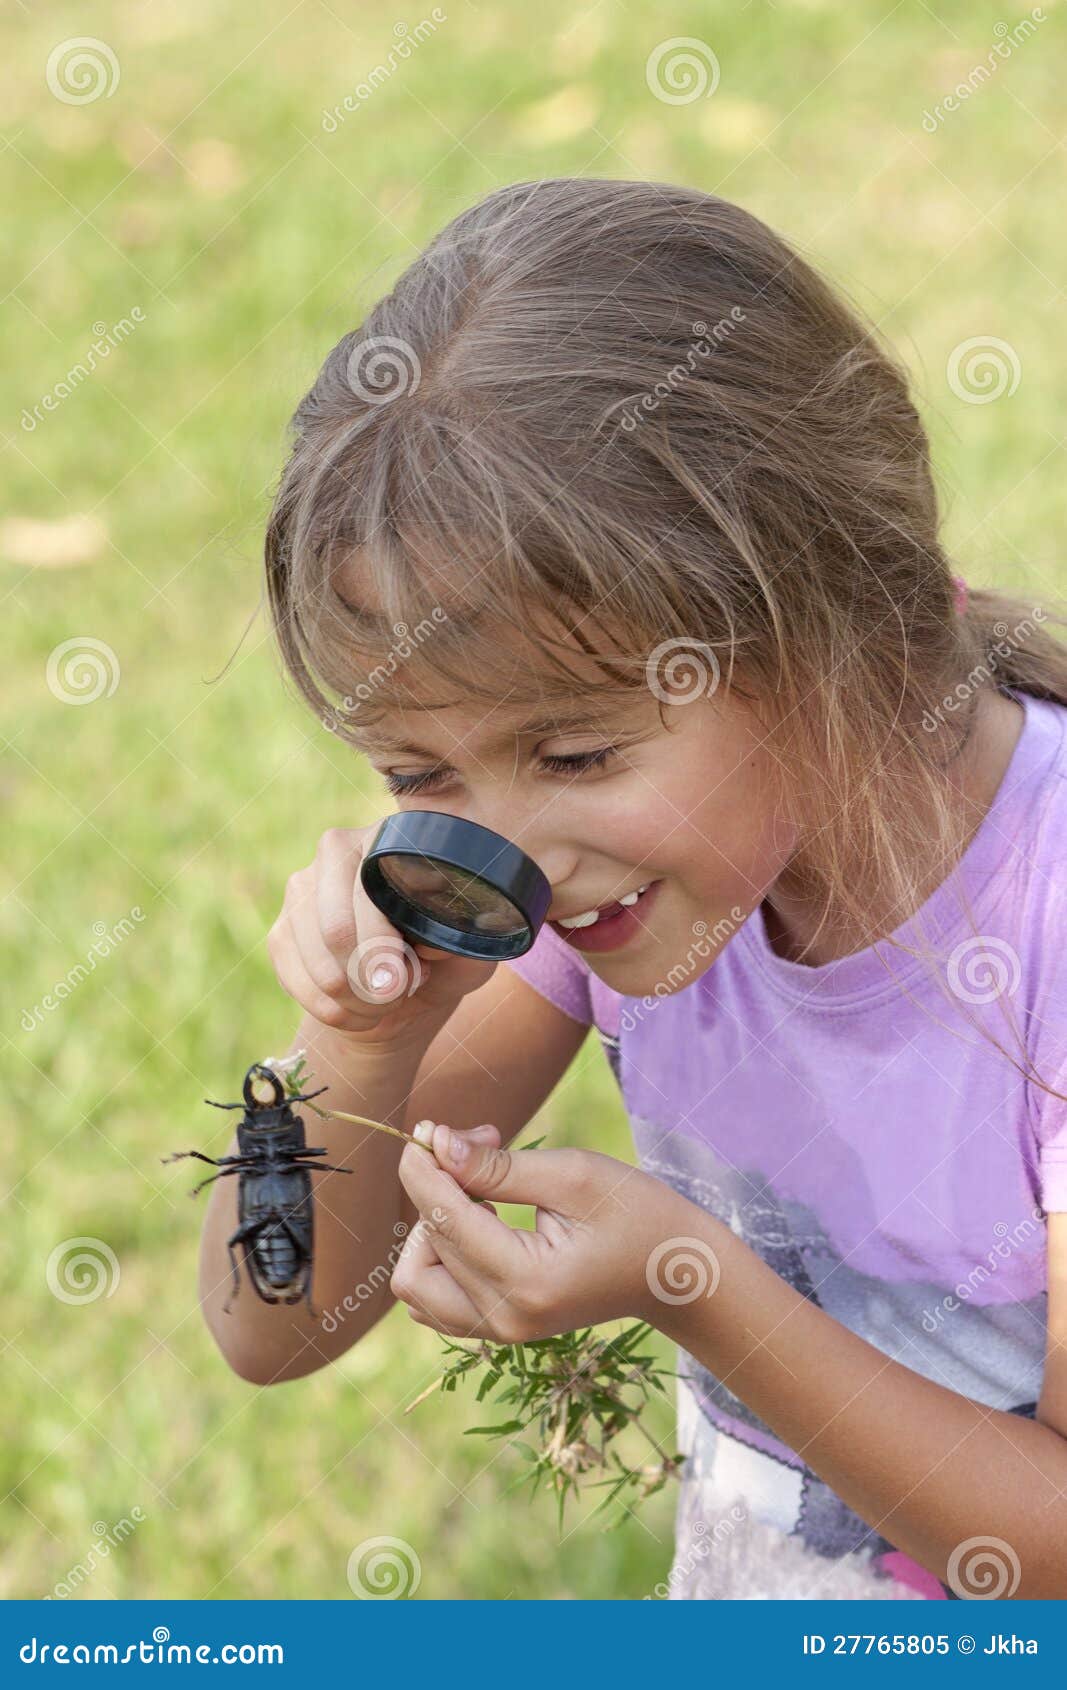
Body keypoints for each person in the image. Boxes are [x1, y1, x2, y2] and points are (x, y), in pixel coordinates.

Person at [199, 177, 1067, 1599]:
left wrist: (701, 1288)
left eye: (578, 748)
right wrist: (361, 1045)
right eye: (423, 773)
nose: (506, 852)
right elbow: (273, 1322)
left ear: (828, 629)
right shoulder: (613, 885)